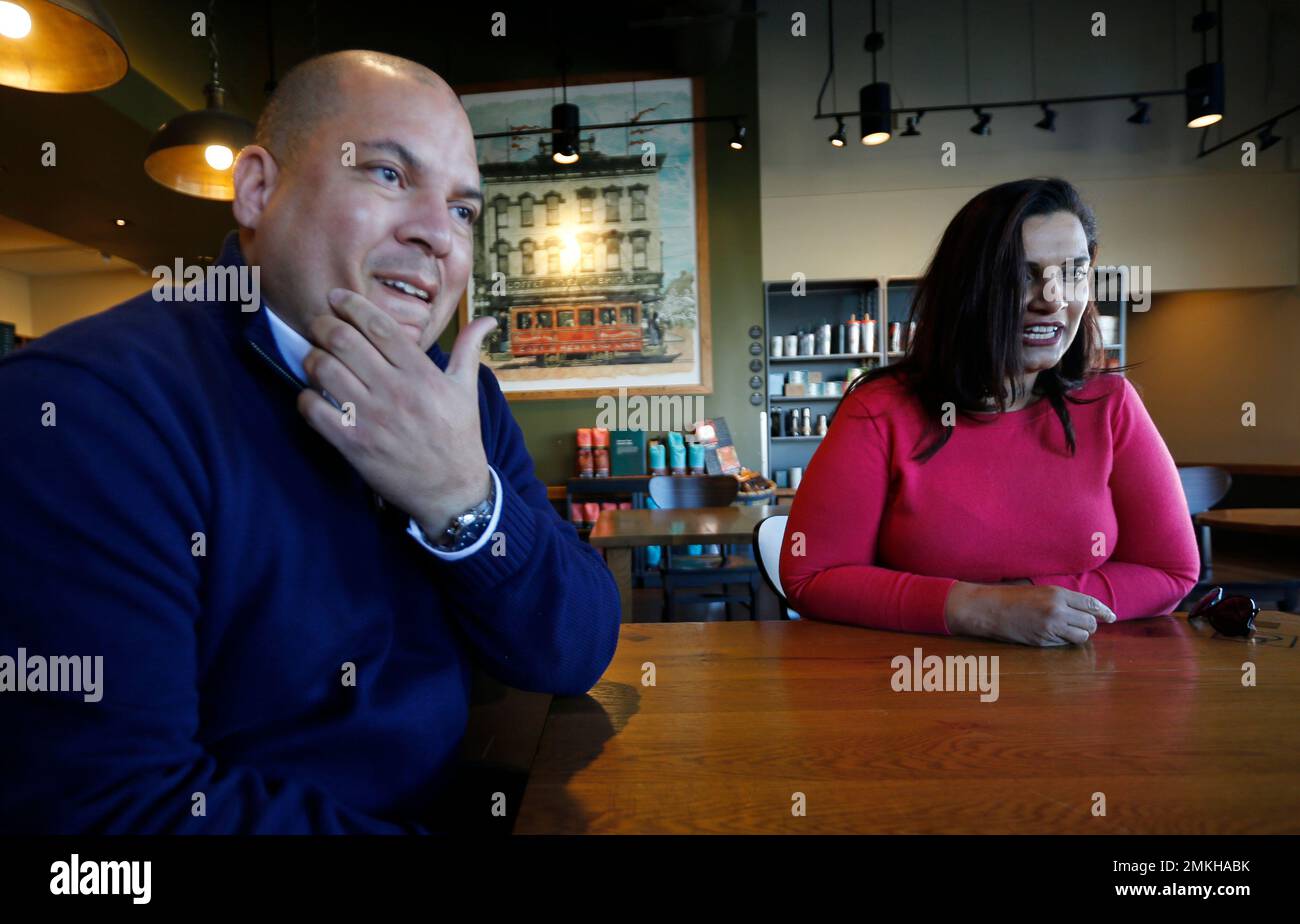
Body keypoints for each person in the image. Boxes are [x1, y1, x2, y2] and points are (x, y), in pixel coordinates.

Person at [0, 51, 621, 833]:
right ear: (259, 189)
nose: (438, 233)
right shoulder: (84, 406)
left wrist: (464, 504)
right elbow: (107, 816)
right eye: (390, 175)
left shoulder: (460, 395)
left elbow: (577, 649)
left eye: (464, 210)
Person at [780, 178, 1199, 647]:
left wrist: (1037, 603)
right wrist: (981, 610)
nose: (1053, 299)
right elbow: (812, 576)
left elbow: (1171, 570)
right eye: (1023, 275)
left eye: (1075, 272)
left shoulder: (1111, 404)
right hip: (917, 686)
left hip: (1082, 693)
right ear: (967, 289)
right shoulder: (878, 412)